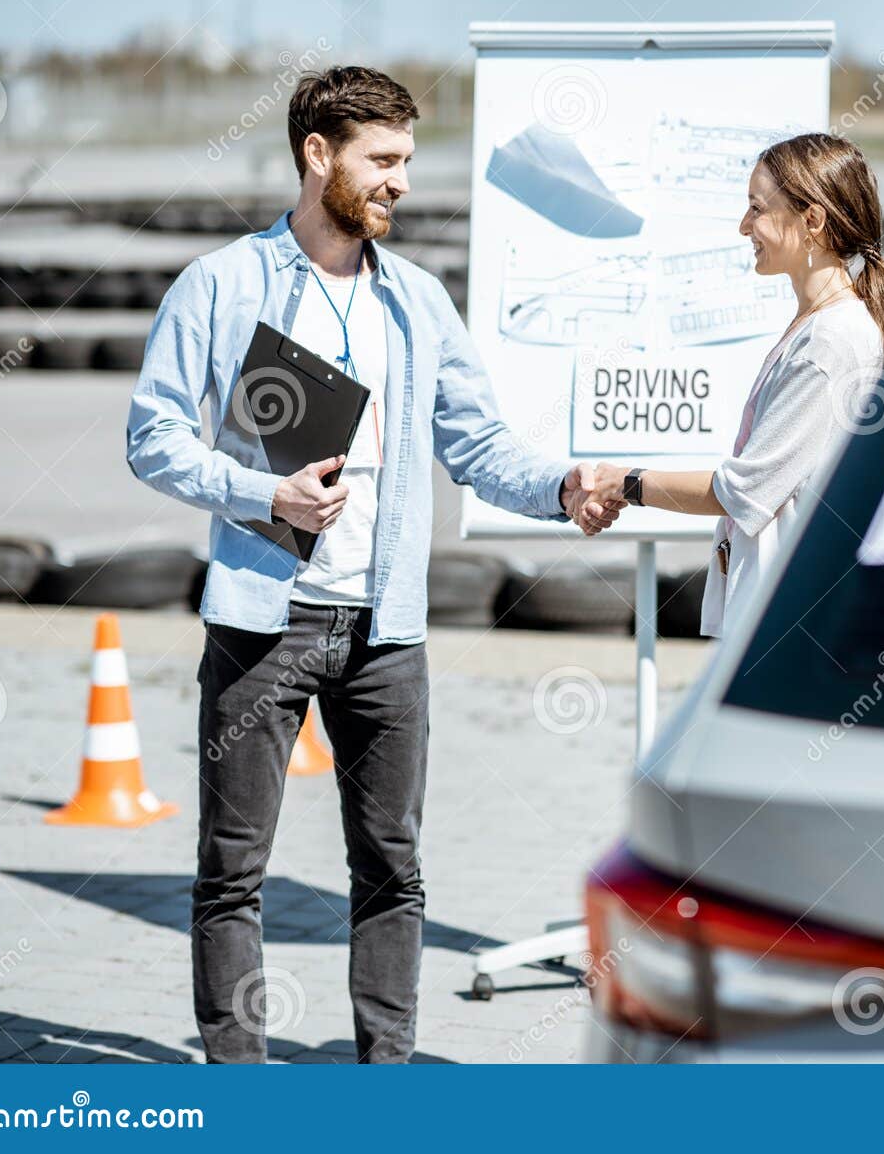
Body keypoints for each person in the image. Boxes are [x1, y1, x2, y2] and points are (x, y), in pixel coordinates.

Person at [124, 66, 617, 1063]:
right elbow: (153, 437)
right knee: (232, 870)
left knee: (393, 869)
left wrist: (561, 486)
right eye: (382, 159)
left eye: (406, 159)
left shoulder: (418, 301)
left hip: (387, 633)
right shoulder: (220, 285)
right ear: (318, 154)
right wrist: (264, 493)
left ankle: (383, 1082)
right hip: (263, 622)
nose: (401, 180)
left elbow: (477, 444)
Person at [582, 133, 884, 636]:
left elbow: (745, 491)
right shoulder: (817, 327)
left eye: (757, 209)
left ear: (813, 221)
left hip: (791, 619)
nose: (744, 226)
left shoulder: (831, 340)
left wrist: (628, 482)